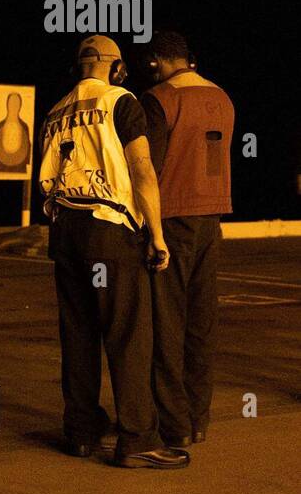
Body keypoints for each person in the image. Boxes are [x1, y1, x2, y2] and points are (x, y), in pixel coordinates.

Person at [39, 35, 189, 468]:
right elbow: (141, 169)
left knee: (79, 333)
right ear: (117, 67)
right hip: (108, 231)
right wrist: (156, 235)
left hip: (65, 231)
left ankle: (82, 431)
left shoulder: (56, 110)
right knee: (128, 334)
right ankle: (138, 438)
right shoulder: (120, 101)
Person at [140, 31, 234, 446]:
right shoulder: (222, 98)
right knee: (201, 324)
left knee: (167, 324)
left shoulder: (160, 97)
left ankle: (172, 424)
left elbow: (149, 166)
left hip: (173, 218)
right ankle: (198, 418)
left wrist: (148, 228)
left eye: (152, 63)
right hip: (211, 217)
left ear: (159, 60)